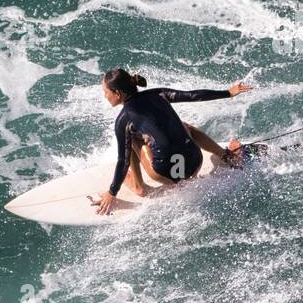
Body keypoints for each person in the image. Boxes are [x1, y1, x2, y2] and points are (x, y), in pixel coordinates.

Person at [92, 68, 254, 216]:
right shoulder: (158, 94)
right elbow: (193, 96)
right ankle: (226, 155)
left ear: (118, 93)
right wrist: (228, 92)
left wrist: (112, 192)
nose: (105, 96)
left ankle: (138, 186)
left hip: (165, 174)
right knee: (184, 127)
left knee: (132, 139)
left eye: (105, 92)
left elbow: (123, 161)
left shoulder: (123, 120)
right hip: (195, 161)